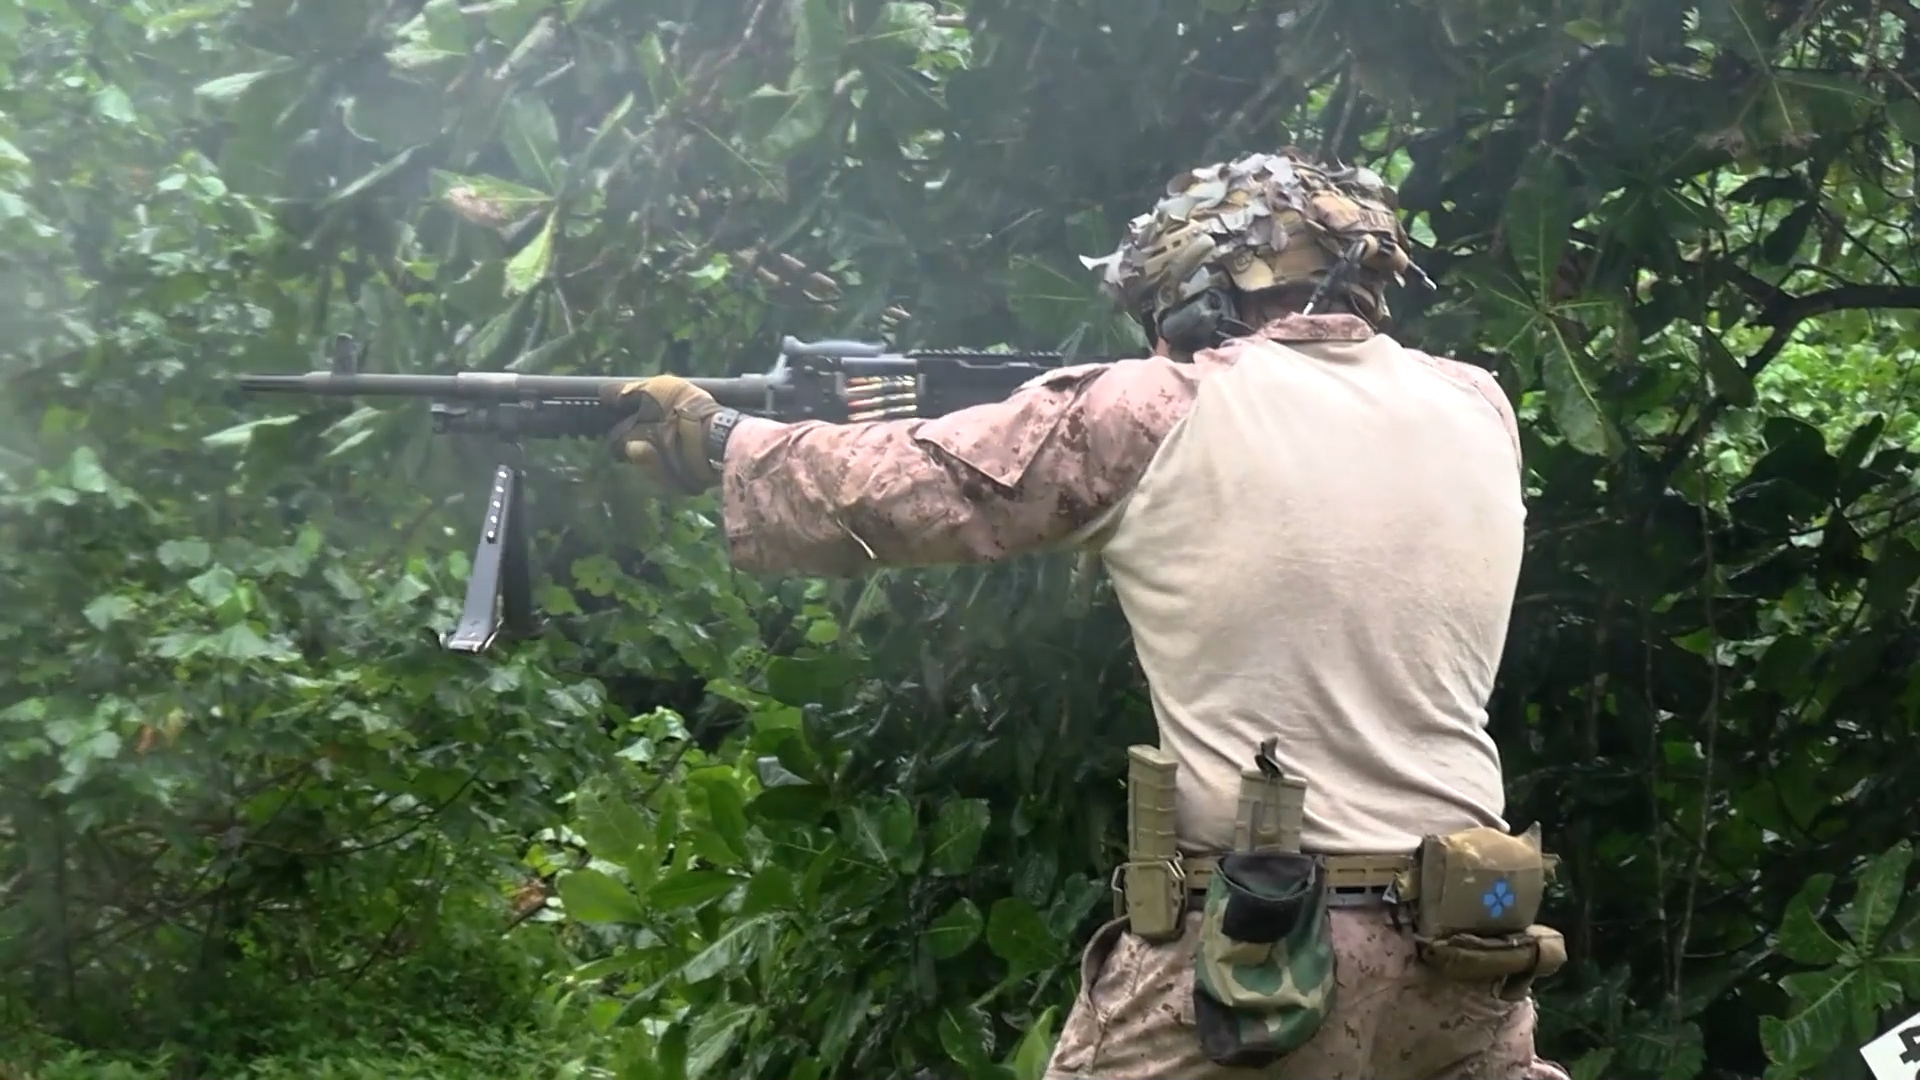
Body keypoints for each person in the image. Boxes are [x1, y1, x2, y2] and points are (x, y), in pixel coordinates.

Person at [600, 150, 1572, 1080]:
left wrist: (724, 441)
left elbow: (904, 487)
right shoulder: (1478, 408)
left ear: (1200, 295)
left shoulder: (1161, 407)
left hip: (1272, 943)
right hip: (1474, 934)